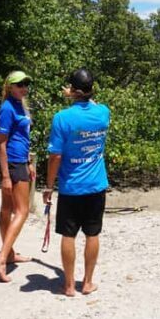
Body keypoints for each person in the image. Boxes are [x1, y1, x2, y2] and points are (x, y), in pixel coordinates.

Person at [44, 68, 110, 297]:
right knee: (92, 234)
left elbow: (56, 156)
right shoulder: (103, 112)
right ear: (92, 90)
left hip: (71, 186)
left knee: (68, 235)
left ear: (71, 90)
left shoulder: (62, 118)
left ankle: (70, 285)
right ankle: (88, 283)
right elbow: (93, 103)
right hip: (96, 185)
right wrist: (78, 95)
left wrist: (48, 186)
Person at [0, 70, 36, 282]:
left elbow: (23, 136)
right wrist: (6, 176)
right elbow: (1, 143)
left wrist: (29, 161)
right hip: (13, 162)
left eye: (26, 84)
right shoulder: (7, 108)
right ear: (10, 86)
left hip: (21, 161)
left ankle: (9, 254)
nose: (24, 88)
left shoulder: (20, 105)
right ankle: (1, 258)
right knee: (22, 211)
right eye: (20, 85)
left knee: (8, 209)